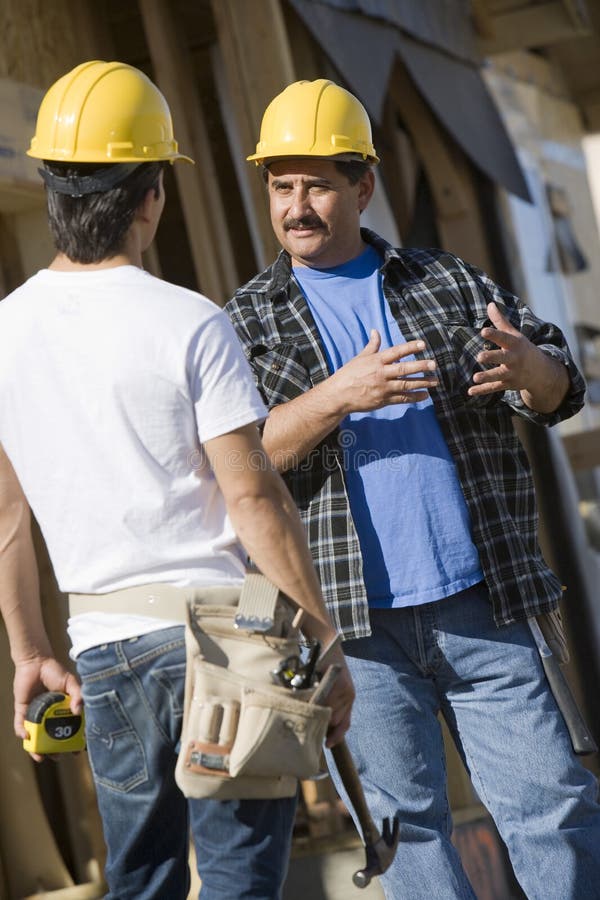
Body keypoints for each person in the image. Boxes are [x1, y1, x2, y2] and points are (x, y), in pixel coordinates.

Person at [225, 78, 600, 899]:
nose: (297, 206)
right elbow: (239, 464)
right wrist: (337, 396)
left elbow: (560, 388)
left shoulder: (447, 282)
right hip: (352, 627)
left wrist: (533, 370)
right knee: (406, 834)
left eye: (319, 184)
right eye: (281, 186)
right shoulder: (246, 321)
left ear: (363, 186)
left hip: (486, 605)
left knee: (554, 809)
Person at [0, 62, 354, 900]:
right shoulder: (188, 320)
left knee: (143, 882)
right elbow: (254, 497)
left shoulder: (5, 331)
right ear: (152, 193)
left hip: (103, 646)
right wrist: (325, 644)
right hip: (226, 636)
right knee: (236, 877)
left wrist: (30, 651)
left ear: (52, 187)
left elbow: (8, 515)